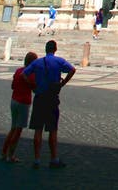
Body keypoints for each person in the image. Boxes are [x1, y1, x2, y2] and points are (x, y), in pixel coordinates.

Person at [23, 39, 76, 169]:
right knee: (52, 130)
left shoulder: (37, 62)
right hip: (52, 98)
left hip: (40, 98)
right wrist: (62, 84)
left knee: (38, 130)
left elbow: (24, 74)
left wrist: (32, 86)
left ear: (45, 49)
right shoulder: (59, 61)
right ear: (55, 49)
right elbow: (72, 69)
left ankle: (36, 159)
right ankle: (54, 158)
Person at [0, 51, 38, 163]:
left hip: (14, 100)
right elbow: (34, 89)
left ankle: (3, 153)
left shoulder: (18, 71)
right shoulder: (31, 74)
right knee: (18, 130)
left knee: (13, 128)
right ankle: (10, 155)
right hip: (23, 102)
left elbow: (13, 86)